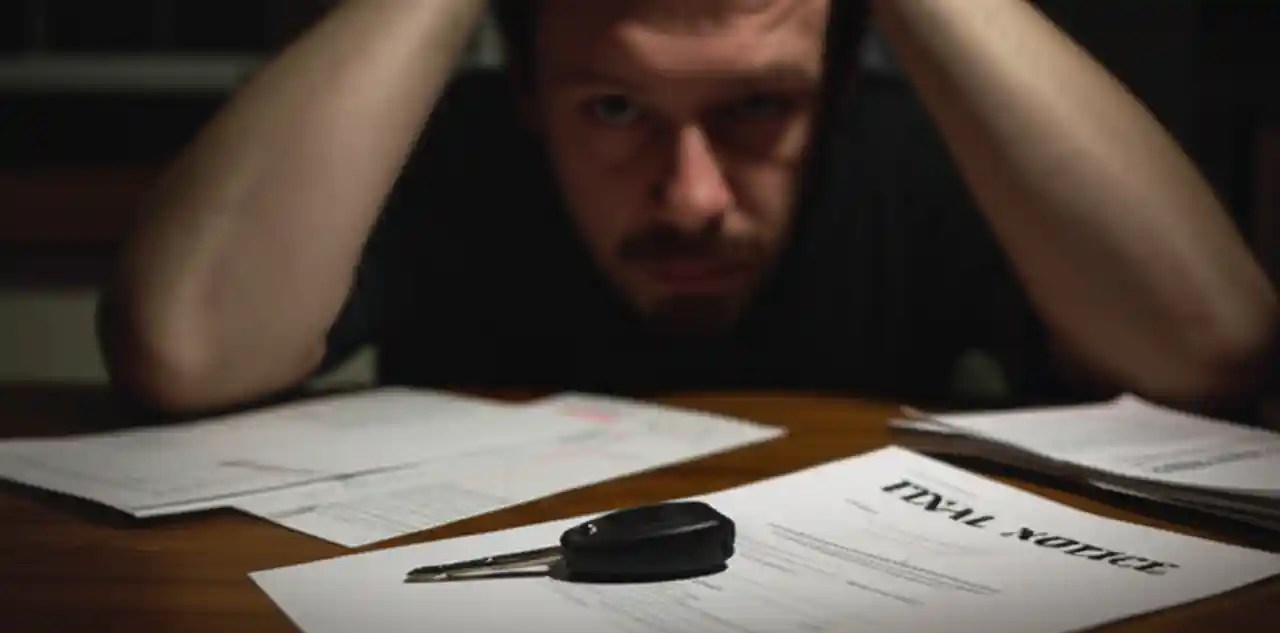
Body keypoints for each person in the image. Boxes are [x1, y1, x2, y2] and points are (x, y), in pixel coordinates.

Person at [99, 0, 1277, 415]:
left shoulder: (916, 160)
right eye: (613, 110)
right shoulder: (443, 153)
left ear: (833, 83)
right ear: (524, 89)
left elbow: (1210, 348)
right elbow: (185, 349)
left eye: (759, 107)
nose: (691, 198)